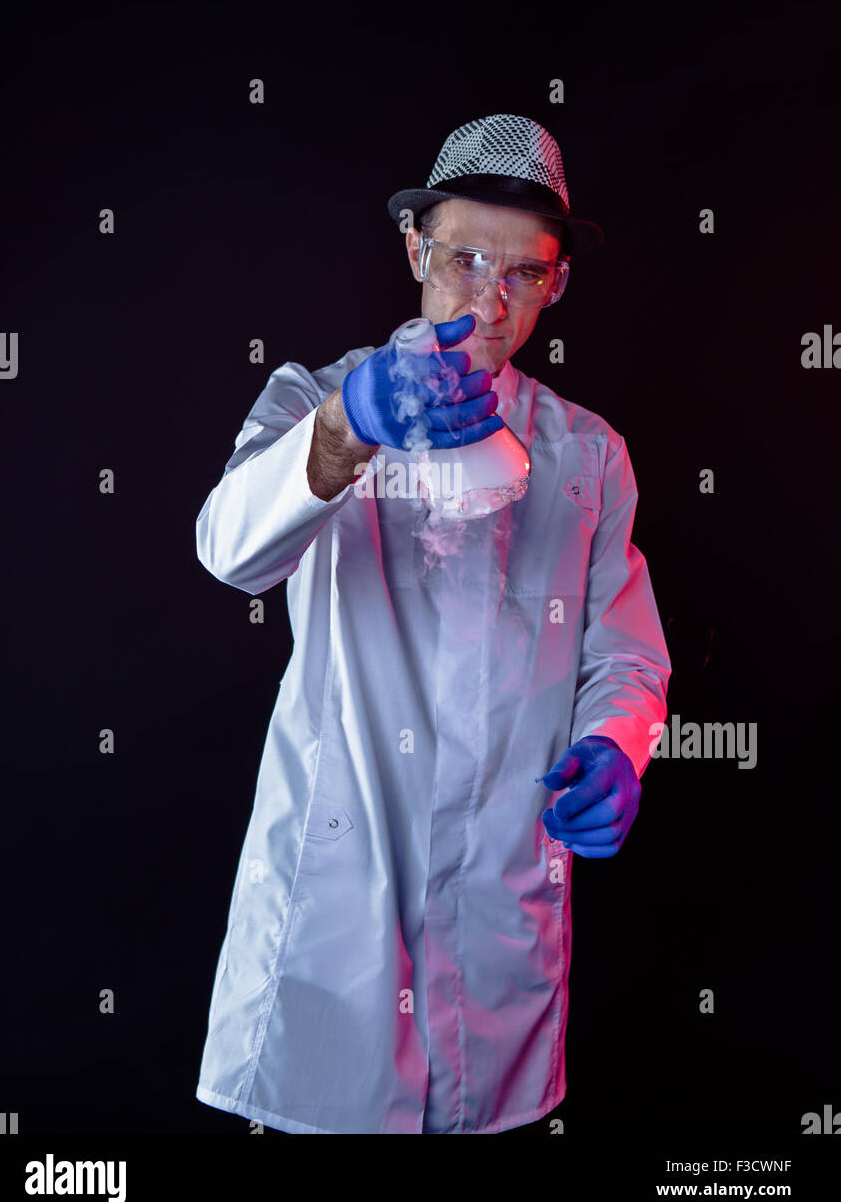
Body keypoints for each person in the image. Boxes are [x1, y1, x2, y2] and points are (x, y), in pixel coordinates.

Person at [194, 113, 672, 1134]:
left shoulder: (587, 455)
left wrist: (612, 747)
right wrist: (349, 427)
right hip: (336, 915)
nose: (488, 299)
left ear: (555, 284)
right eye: (461, 256)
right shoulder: (316, 398)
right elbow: (229, 544)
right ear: (413, 246)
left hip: (502, 924)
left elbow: (623, 652)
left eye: (523, 273)